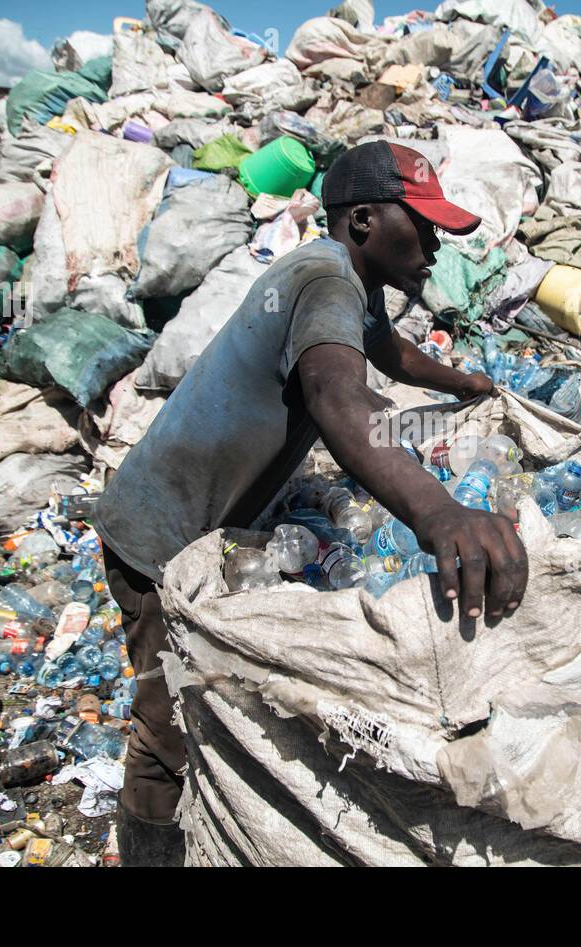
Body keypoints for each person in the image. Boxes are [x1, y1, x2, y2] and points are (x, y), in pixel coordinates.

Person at [93, 141, 530, 866]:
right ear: (362, 220)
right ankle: (147, 850)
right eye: (420, 227)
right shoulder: (323, 279)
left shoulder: (351, 284)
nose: (432, 245)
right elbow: (337, 394)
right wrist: (440, 512)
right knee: (168, 722)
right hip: (159, 533)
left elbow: (388, 354)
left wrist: (464, 383)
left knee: (203, 695)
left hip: (197, 515)